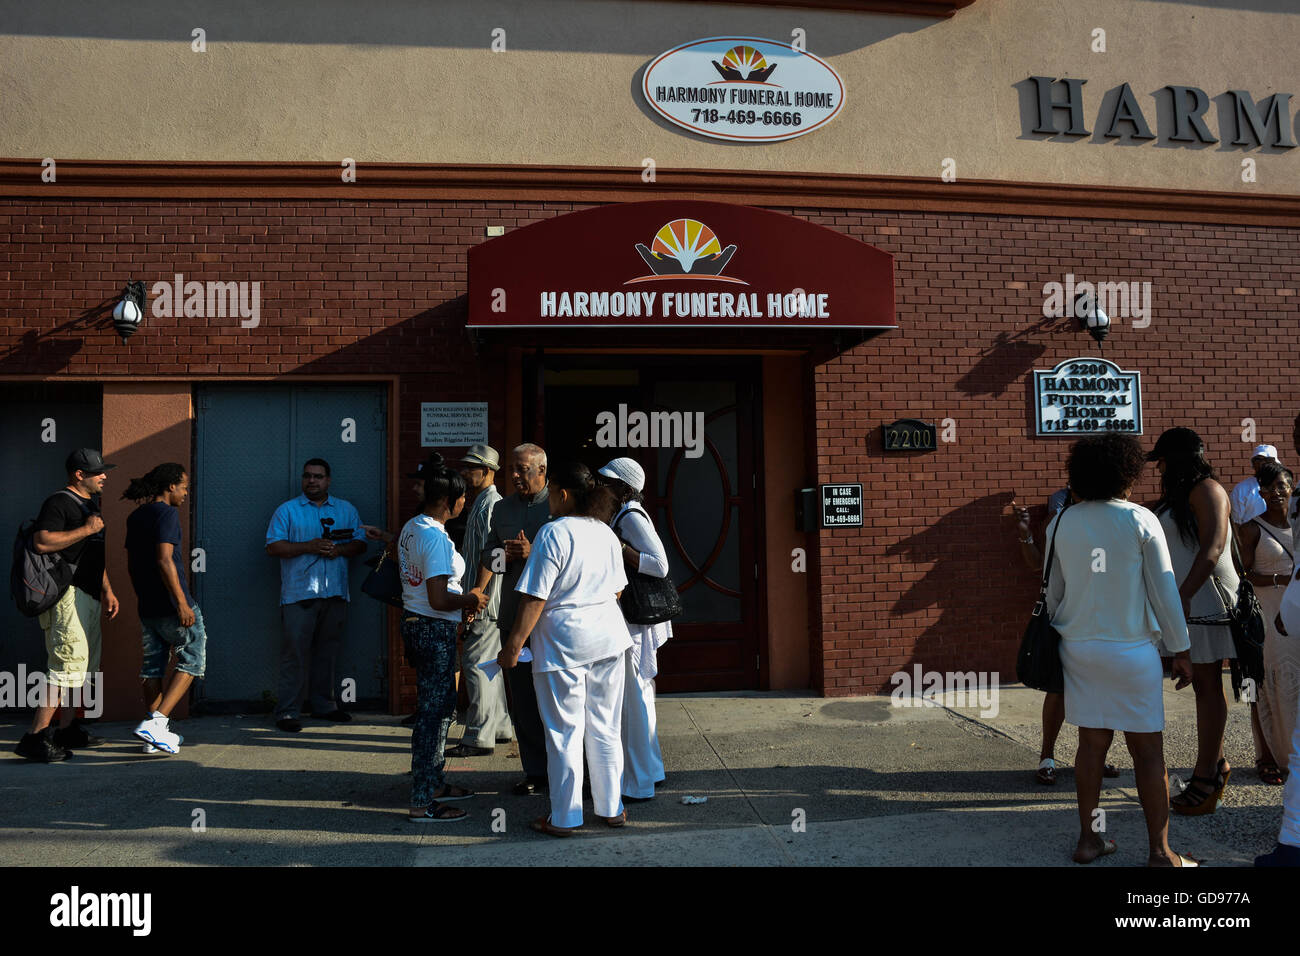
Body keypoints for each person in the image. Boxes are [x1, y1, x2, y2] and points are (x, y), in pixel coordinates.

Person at [1044, 433, 1196, 866]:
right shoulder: (1140, 520)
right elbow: (1164, 592)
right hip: (1131, 651)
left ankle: (1090, 840)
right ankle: (1160, 852)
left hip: (1078, 649)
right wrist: (1180, 648)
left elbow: (1053, 594)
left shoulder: (1060, 523)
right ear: (1126, 473)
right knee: (1147, 752)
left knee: (1091, 747)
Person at [498, 462, 632, 836]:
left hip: (564, 645)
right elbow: (618, 589)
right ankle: (611, 808)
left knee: (564, 733)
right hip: (608, 638)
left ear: (563, 494)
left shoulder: (552, 533)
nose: (549, 502)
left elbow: (534, 598)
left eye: (553, 492)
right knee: (605, 727)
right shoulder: (604, 532)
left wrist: (513, 646)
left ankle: (565, 817)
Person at [1149, 427, 1238, 815]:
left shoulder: (1208, 489)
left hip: (1208, 602)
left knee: (1207, 685)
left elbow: (1214, 546)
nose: (1160, 469)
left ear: (1179, 459)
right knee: (1202, 684)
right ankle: (1213, 767)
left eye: (1163, 461)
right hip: (1187, 600)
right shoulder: (1179, 496)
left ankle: (1208, 774)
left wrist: (1182, 595)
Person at [397, 454, 488, 822]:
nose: (465, 502)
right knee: (434, 718)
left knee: (437, 711)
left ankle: (433, 782)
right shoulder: (434, 538)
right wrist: (471, 598)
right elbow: (437, 596)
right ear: (449, 501)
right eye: (462, 497)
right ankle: (422, 801)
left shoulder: (412, 527)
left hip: (420, 623)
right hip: (433, 628)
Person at [14, 449, 120, 763]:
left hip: (89, 595)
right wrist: (87, 529)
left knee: (83, 668)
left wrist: (108, 590)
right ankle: (35, 737)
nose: (104, 476)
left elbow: (91, 555)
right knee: (65, 665)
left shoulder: (90, 505)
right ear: (79, 474)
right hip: (66, 596)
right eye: (98, 471)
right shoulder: (58, 502)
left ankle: (67, 729)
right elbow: (42, 542)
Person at [1012, 487, 1120, 785]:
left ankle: (1097, 755)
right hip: (1064, 616)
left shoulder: (1114, 520)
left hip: (1101, 618)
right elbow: (1038, 565)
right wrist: (1025, 533)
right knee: (1058, 689)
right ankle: (1047, 756)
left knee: (1099, 690)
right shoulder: (1058, 522)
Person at [265, 458, 367, 732]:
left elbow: (360, 543)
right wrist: (308, 546)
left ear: (328, 480)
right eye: (307, 476)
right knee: (294, 655)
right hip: (299, 595)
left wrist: (340, 550)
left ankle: (324, 706)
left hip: (334, 593)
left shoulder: (345, 510)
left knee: (328, 653)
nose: (312, 481)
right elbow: (273, 547)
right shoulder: (287, 511)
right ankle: (287, 712)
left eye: (318, 477)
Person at [474, 442, 552, 795]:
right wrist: (500, 557)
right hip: (511, 613)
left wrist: (533, 552)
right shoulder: (502, 508)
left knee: (556, 697)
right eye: (513, 470)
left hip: (551, 618)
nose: (517, 476)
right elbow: (490, 554)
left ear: (542, 471)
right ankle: (536, 772)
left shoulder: (559, 506)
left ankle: (569, 770)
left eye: (524, 470)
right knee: (522, 698)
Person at [598, 457, 671, 801]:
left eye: (610, 483)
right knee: (640, 696)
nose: (603, 487)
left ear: (625, 488)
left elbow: (660, 564)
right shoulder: (624, 515)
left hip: (635, 621)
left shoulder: (630, 517)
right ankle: (650, 770)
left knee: (634, 700)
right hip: (635, 620)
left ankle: (639, 782)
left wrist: (620, 548)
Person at [122, 463, 206, 756]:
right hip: (172, 604)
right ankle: (157, 723)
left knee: (152, 667)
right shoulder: (167, 513)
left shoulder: (136, 516)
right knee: (193, 658)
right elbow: (164, 559)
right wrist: (182, 603)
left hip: (148, 604)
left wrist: (143, 596)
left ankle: (153, 737)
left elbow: (132, 565)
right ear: (170, 486)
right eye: (183, 486)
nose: (185, 492)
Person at [445, 444, 513, 757]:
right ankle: (498, 726)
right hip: (488, 599)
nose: (464, 472)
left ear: (485, 471)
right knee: (488, 666)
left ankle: (478, 736)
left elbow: (494, 554)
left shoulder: (490, 504)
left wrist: (477, 595)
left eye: (470, 467)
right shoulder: (486, 502)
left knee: (476, 665)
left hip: (484, 600)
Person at [1239, 461, 1297, 784]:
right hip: (1267, 613)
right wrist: (1280, 577)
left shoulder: (1299, 524)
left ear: (1291, 488)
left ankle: (1295, 754)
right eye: (1268, 487)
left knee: (1295, 686)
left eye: (1281, 486)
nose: (1275, 493)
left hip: (1295, 614)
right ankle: (1268, 756)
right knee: (1267, 685)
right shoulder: (1251, 528)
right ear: (1259, 491)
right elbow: (1244, 576)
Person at [1229, 444, 1280, 527]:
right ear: (1253, 463)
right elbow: (1235, 523)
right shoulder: (1241, 489)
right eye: (1259, 459)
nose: (1263, 463)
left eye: (1268, 460)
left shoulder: (1284, 488)